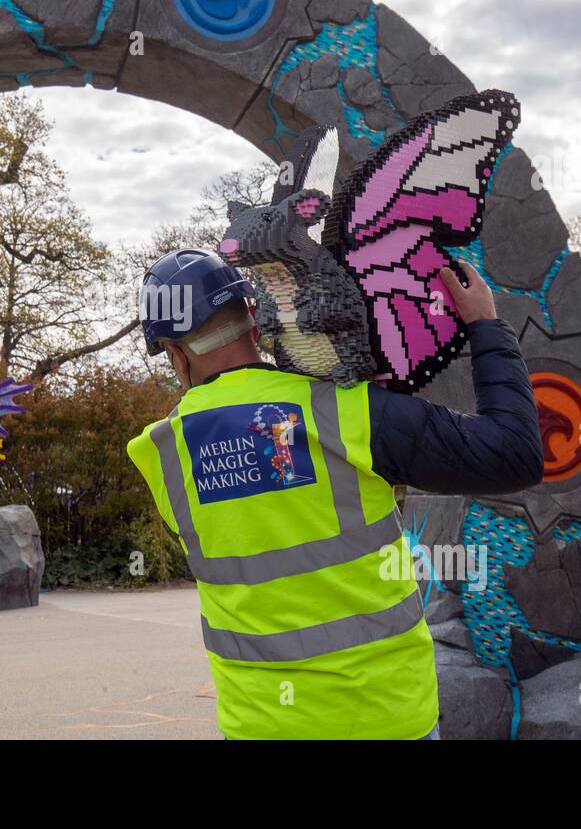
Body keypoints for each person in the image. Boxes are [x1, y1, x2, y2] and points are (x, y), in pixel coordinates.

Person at [126, 248, 543, 739]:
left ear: (175, 355)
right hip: (386, 716)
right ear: (254, 323)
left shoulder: (161, 454)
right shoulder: (344, 412)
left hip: (263, 725)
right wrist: (486, 326)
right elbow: (513, 453)